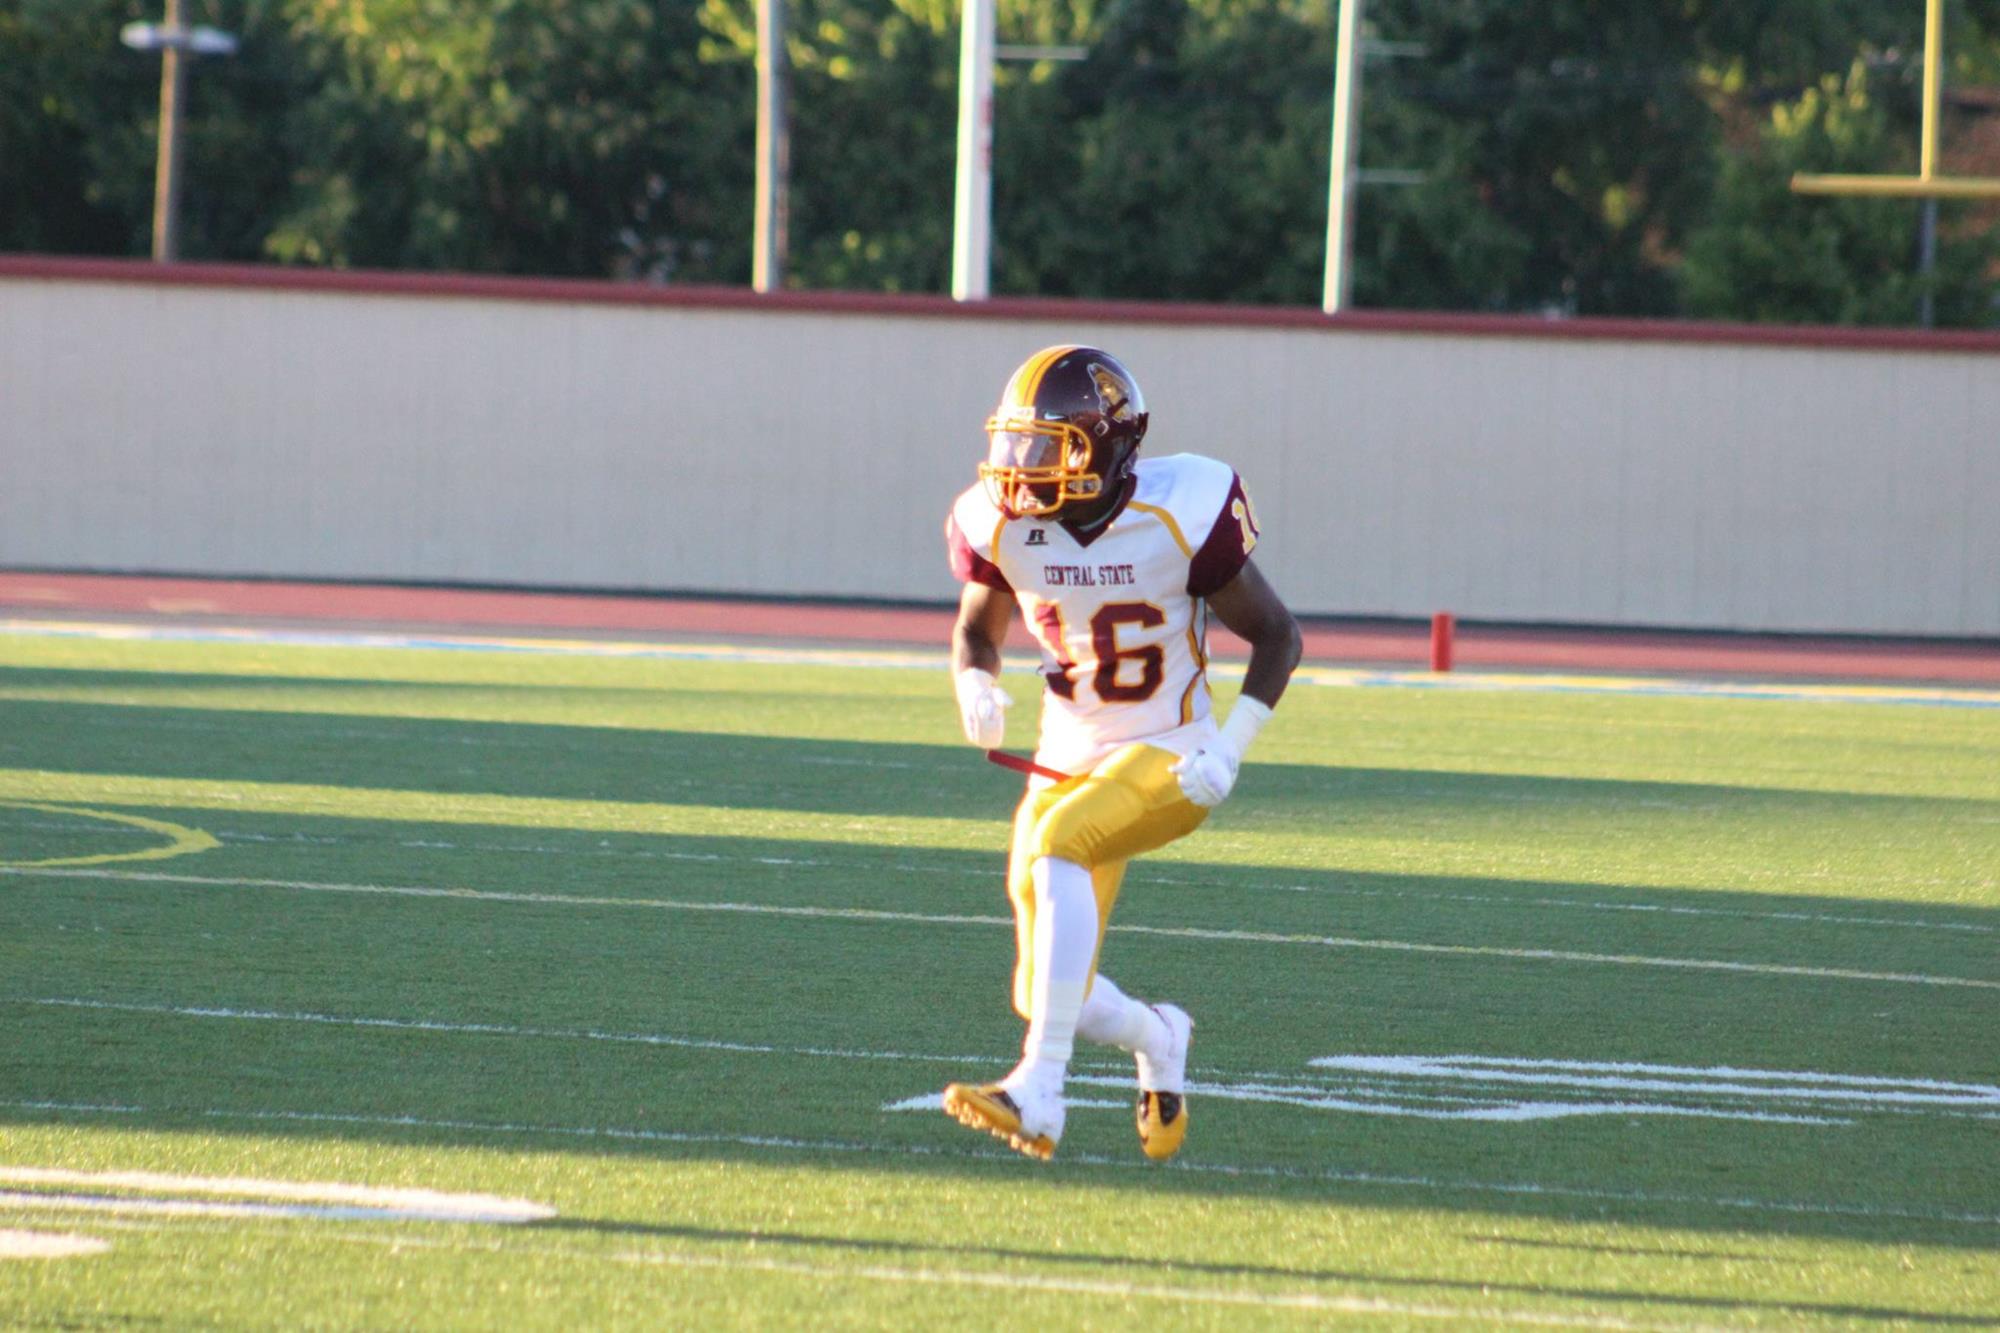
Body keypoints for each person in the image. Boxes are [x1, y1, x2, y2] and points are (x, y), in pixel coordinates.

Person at [940, 344, 1302, 1162]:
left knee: (1064, 844)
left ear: (1107, 447)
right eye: (1018, 444)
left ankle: (1041, 1090)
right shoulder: (1007, 521)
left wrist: (1232, 747)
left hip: (1171, 753)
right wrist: (975, 681)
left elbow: (1280, 635)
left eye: (1051, 447)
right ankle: (1161, 1036)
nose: (1026, 468)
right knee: (1043, 992)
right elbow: (975, 628)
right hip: (1064, 759)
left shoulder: (1181, 508)